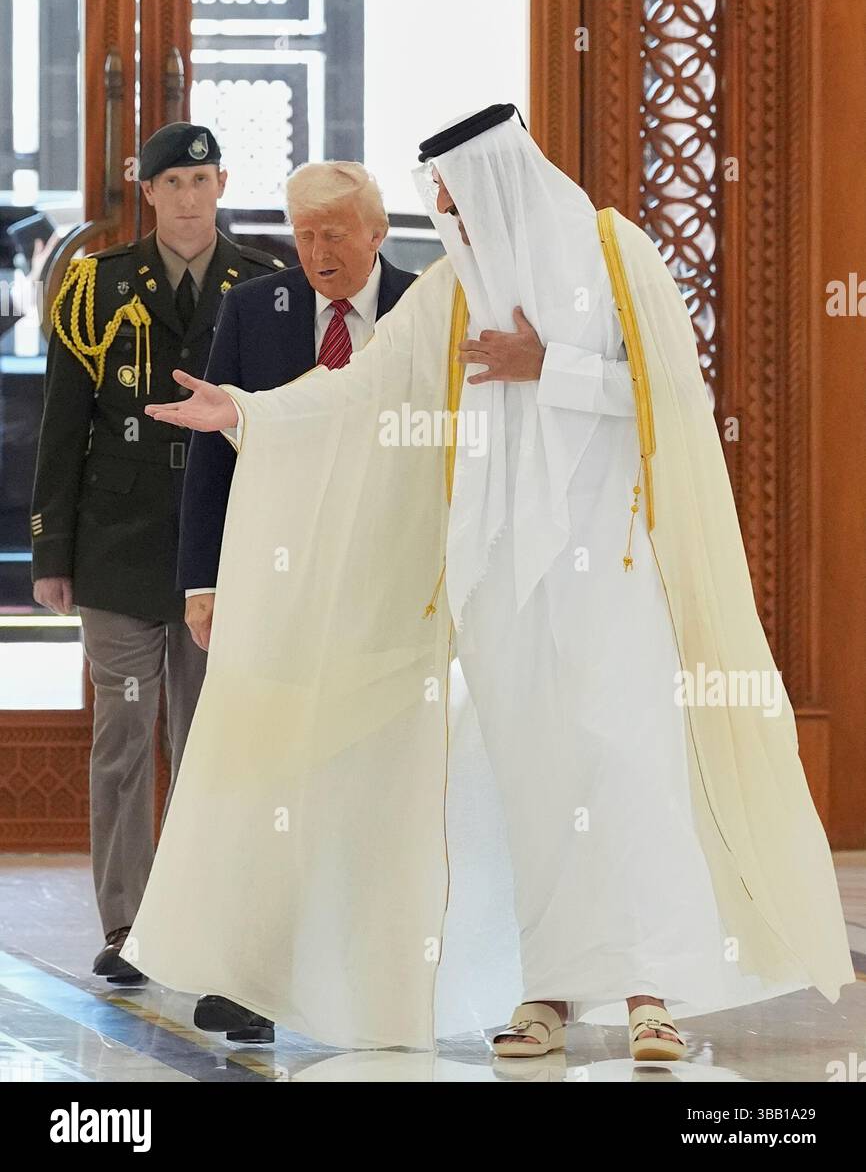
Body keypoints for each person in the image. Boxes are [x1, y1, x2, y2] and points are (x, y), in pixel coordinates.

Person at [124, 105, 854, 1059]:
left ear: (504, 183)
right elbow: (363, 388)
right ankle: (544, 992)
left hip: (611, 574)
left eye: (457, 204)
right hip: (500, 582)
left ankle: (649, 994)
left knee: (625, 771)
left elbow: (671, 392)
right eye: (440, 208)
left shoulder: (614, 255)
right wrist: (247, 412)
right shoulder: (451, 292)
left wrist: (546, 366)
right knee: (533, 788)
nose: (448, 223)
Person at [31, 122, 288, 986]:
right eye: (172, 182)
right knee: (124, 732)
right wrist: (50, 550)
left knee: (208, 734)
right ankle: (127, 923)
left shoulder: (264, 288)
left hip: (220, 549)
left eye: (201, 181)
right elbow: (63, 426)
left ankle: (196, 912)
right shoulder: (95, 285)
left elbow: (285, 429)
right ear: (147, 192)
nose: (187, 197)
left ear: (222, 186)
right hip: (119, 546)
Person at [178, 161, 416, 1042]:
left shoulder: (425, 312)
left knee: (368, 789)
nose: (316, 252)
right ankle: (253, 976)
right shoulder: (254, 309)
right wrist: (203, 582)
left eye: (334, 234)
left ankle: (369, 974)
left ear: (377, 232)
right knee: (270, 780)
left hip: (388, 597)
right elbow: (212, 455)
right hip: (276, 591)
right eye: (302, 233)